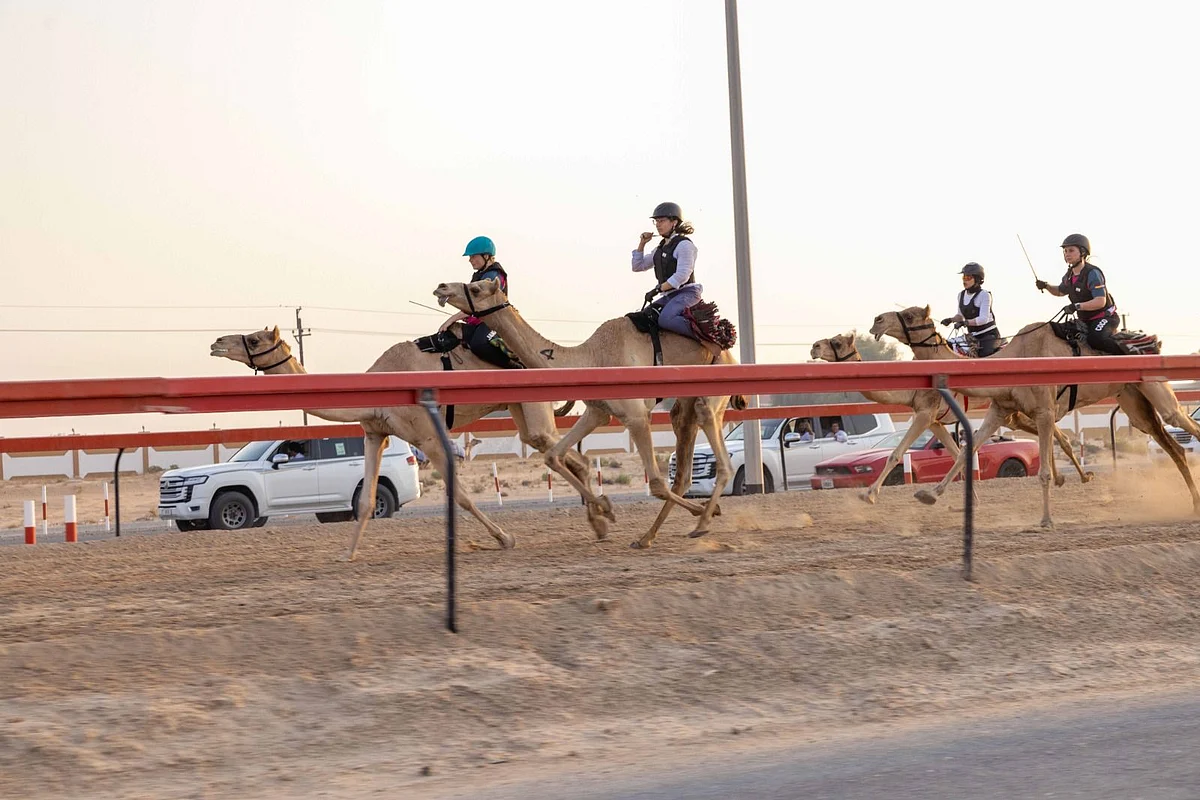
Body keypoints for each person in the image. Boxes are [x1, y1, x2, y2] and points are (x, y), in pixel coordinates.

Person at [1035, 233, 1130, 355]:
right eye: (1065, 251)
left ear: (1082, 252)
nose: (1067, 254)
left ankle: (1126, 357)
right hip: (1084, 319)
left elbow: (1100, 301)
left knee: (1095, 339)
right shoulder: (1069, 275)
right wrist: (1046, 286)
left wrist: (1076, 306)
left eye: (1071, 250)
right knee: (1055, 330)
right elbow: (1059, 291)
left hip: (1104, 317)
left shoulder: (1093, 273)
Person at [440, 236, 520, 367]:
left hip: (495, 321)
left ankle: (513, 367)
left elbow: (478, 305)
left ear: (486, 256)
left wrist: (452, 319)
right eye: (469, 257)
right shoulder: (479, 275)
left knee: (479, 344)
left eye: (473, 256)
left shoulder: (493, 276)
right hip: (480, 322)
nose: (470, 260)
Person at [632, 202, 705, 339]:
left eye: (662, 221)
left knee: (665, 319)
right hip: (669, 295)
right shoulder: (660, 248)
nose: (658, 225)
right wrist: (642, 243)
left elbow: (682, 276)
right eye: (656, 221)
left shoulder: (684, 245)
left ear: (674, 222)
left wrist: (658, 289)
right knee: (645, 316)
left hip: (688, 293)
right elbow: (638, 266)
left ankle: (704, 337)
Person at [940, 262, 1002, 357]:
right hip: (972, 336)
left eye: (968, 278)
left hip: (988, 336)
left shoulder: (984, 295)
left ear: (977, 279)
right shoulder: (960, 295)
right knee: (949, 346)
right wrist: (950, 320)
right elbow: (960, 316)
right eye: (963, 278)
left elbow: (983, 319)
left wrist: (966, 323)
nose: (965, 281)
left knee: (984, 355)